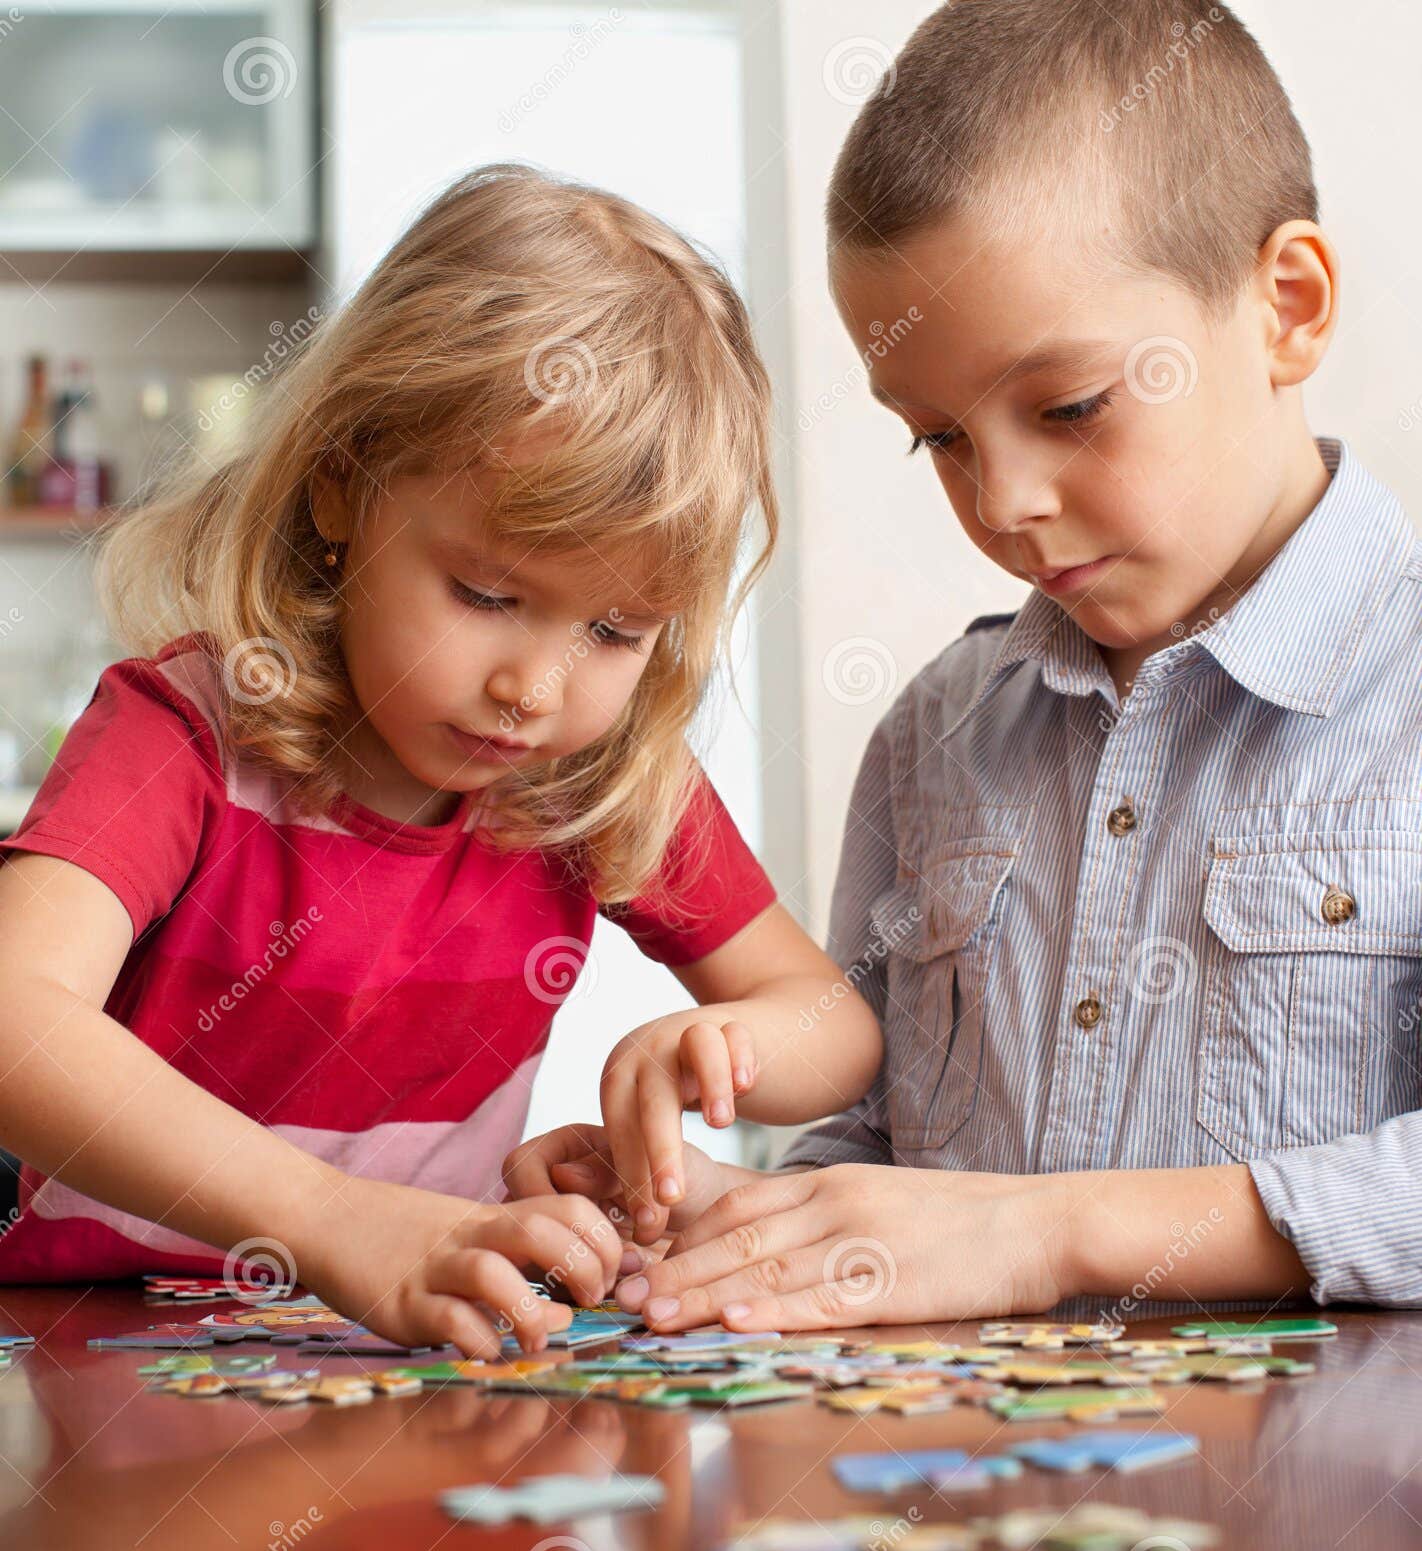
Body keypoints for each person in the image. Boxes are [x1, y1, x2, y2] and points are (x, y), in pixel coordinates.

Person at [512, 0, 1422, 1328]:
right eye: (935, 436)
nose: (1000, 499)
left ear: (1284, 308)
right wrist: (713, 1216)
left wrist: (1050, 1234)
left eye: (1067, 407)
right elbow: (882, 1165)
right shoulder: (937, 732)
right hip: (972, 1521)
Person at [0, 165, 882, 1357]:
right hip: (84, 1354)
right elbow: (16, 1019)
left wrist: (719, 1049)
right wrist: (329, 1221)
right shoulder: (188, 734)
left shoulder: (594, 780)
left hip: (402, 1370)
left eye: (615, 633)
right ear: (339, 487)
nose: (534, 687)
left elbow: (837, 1027)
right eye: (485, 593)